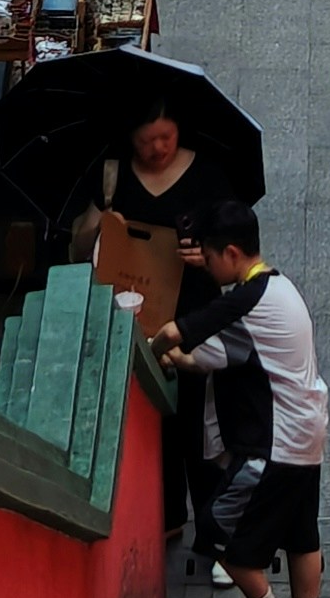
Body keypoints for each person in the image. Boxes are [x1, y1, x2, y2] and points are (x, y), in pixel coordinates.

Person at [71, 103, 252, 569]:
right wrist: (102, 224)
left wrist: (204, 256)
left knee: (203, 426)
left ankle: (215, 527)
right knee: (156, 421)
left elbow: (237, 244)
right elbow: (79, 245)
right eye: (147, 140)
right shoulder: (111, 176)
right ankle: (167, 515)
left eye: (166, 138)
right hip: (137, 316)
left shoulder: (207, 176)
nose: (157, 149)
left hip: (196, 314)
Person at [156, 206, 328, 598]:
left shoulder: (246, 302)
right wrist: (180, 360)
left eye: (210, 258)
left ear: (230, 253)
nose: (209, 268)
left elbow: (172, 334)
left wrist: (149, 354)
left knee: (218, 531)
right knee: (302, 535)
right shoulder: (281, 288)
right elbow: (208, 358)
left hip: (275, 442)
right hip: (308, 435)